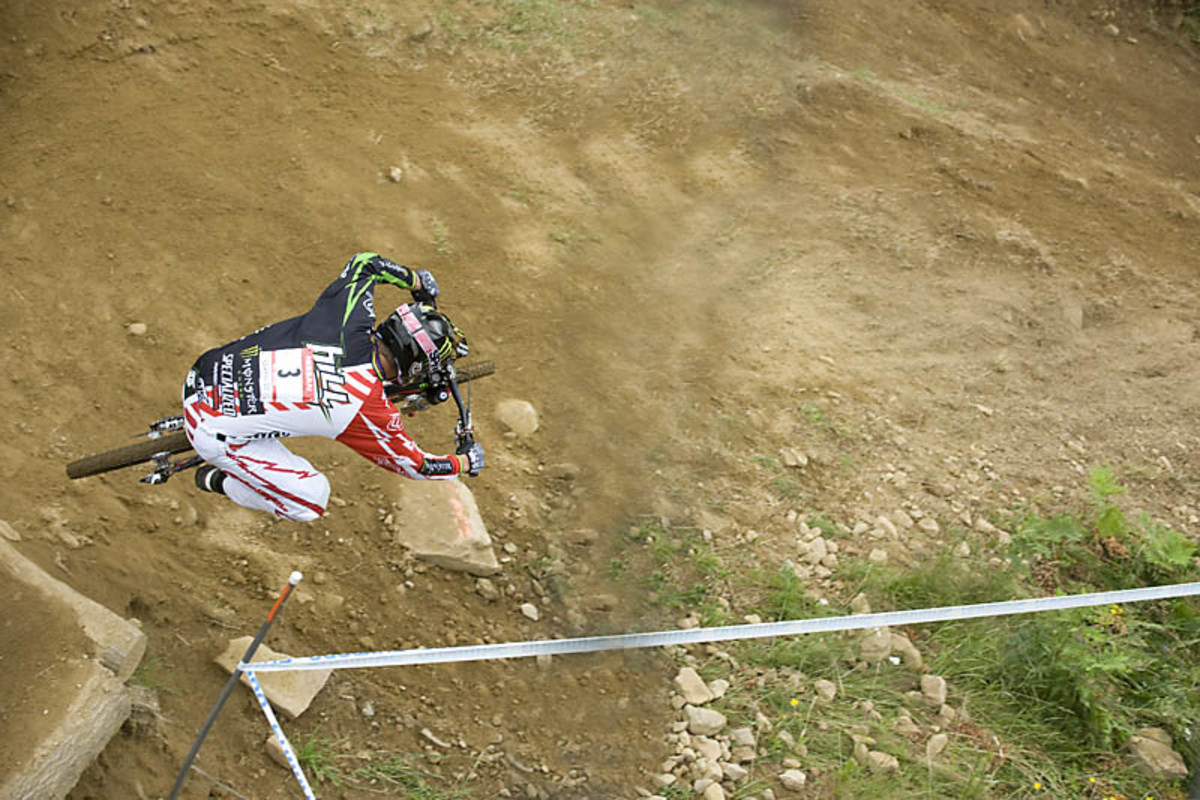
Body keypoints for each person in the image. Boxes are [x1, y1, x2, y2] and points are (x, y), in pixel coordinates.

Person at [180, 252, 485, 522]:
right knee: (312, 501)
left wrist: (415, 280)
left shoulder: (347, 317)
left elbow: (366, 263)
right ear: (416, 368)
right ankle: (221, 480)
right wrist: (465, 461)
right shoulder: (366, 409)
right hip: (208, 428)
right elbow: (416, 465)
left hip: (204, 369)